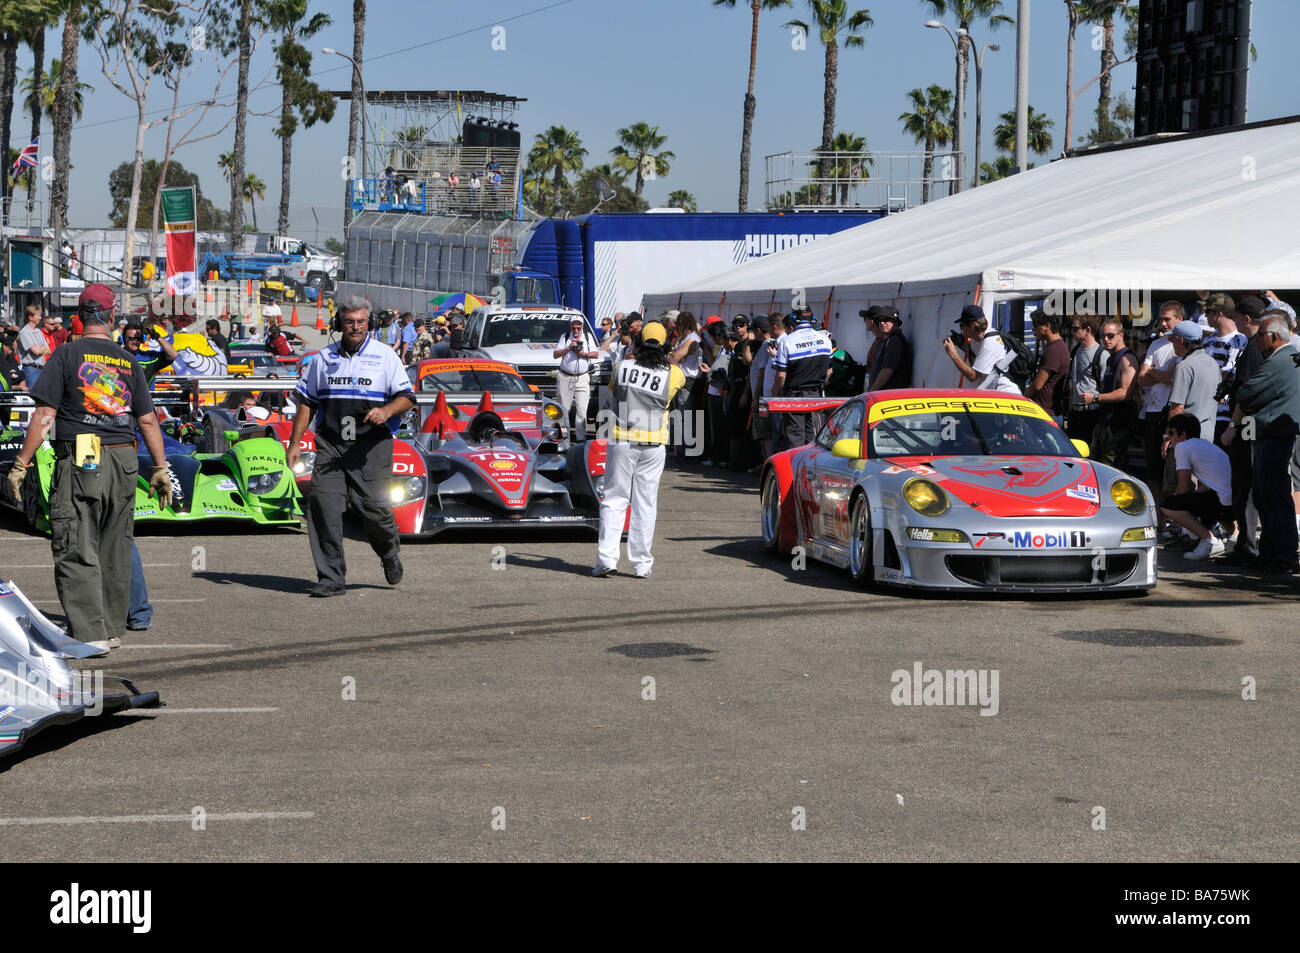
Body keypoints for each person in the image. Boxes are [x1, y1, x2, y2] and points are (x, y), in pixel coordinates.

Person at [5, 284, 172, 651]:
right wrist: (161, 469)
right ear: (112, 318)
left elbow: (45, 415)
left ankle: (91, 633)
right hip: (124, 457)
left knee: (76, 541)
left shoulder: (66, 354)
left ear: (78, 316)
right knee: (115, 543)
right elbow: (147, 421)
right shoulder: (128, 360)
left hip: (83, 454)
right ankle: (111, 627)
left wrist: (21, 463)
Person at [286, 297, 415, 597]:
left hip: (371, 446)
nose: (355, 327)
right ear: (339, 324)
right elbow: (306, 401)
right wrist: (295, 443)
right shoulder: (323, 358)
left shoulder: (386, 357)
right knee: (322, 507)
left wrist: (386, 411)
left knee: (372, 509)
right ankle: (331, 578)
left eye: (360, 321)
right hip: (331, 445)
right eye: (349, 322)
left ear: (368, 322)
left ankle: (388, 550)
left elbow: (407, 397)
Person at [593, 321, 686, 579]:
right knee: (645, 503)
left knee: (614, 499)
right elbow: (676, 376)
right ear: (665, 345)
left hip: (622, 439)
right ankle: (642, 564)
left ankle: (605, 560)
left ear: (638, 342)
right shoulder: (673, 373)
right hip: (654, 443)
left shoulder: (622, 367)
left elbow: (614, 391)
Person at [1225, 311, 1300, 576]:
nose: (1257, 342)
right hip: (1273, 434)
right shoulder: (1286, 359)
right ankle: (1274, 554)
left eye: (1260, 337)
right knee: (1269, 497)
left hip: (1272, 435)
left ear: (1272, 336)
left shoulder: (1278, 362)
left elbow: (1246, 393)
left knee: (1272, 497)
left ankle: (1283, 556)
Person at [1160, 412, 1234, 561]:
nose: (1168, 438)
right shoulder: (1205, 444)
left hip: (1227, 503)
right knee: (1206, 500)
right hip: (1237, 501)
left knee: (1168, 506)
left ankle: (1209, 541)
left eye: (1171, 433)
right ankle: (1235, 538)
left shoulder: (1182, 447)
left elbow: (1184, 488)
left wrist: (1175, 516)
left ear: (1183, 434)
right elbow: (1207, 486)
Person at [1138, 301, 1183, 505]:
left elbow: (1176, 379)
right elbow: (1141, 378)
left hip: (1173, 409)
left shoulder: (1182, 345)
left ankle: (1176, 517)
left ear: (1179, 319)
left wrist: (1154, 372)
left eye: (1168, 319)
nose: (1163, 324)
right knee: (1153, 469)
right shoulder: (1155, 344)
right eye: (1161, 319)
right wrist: (1162, 374)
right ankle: (1160, 517)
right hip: (1152, 411)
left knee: (1173, 467)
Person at [770, 307, 833, 453]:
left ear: (793, 320)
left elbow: (781, 376)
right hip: (816, 394)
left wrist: (774, 394)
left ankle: (795, 471)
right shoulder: (825, 340)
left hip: (795, 395)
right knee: (814, 435)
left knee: (795, 435)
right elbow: (829, 371)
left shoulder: (787, 341)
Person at [1081, 318, 1139, 470]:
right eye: (1103, 336)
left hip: (1118, 424)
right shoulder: (1111, 358)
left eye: (1110, 335)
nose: (1106, 339)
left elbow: (1126, 392)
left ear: (1120, 335)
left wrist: (1096, 397)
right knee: (1097, 466)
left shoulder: (1127, 359)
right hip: (1105, 421)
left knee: (1112, 469)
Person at [943, 304, 1020, 395]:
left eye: (961, 325)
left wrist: (953, 355)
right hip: (996, 393)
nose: (961, 330)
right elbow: (979, 370)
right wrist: (966, 348)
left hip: (1006, 394)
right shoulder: (982, 337)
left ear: (971, 326)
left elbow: (973, 376)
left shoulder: (989, 343)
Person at [1201, 293, 1248, 442]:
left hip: (1224, 413)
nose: (1205, 315)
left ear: (1219, 314)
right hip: (1206, 412)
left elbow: (1228, 373)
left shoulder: (1239, 339)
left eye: (1208, 312)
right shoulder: (1208, 340)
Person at [1167, 319, 1220, 441]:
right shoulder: (1213, 363)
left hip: (1186, 437)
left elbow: (1177, 408)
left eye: (1172, 339)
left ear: (1180, 340)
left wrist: (1168, 437)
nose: (1172, 343)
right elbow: (1219, 399)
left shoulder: (1184, 366)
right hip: (1208, 436)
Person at [552, 316, 597, 441]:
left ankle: (581, 438)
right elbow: (555, 355)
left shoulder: (587, 337)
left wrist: (583, 354)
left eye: (578, 327)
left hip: (582, 377)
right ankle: (563, 437)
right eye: (574, 327)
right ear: (570, 326)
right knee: (564, 409)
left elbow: (596, 354)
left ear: (582, 326)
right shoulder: (565, 337)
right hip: (565, 376)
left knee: (582, 409)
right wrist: (568, 348)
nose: (576, 330)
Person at [1066, 313, 1108, 442]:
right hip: (1075, 412)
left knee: (1091, 453)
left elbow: (1105, 388)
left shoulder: (1101, 354)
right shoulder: (1075, 350)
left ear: (1088, 330)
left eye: (1075, 328)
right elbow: (1074, 383)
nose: (1072, 332)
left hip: (1092, 412)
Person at [1024, 308, 1070, 421]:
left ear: (1047, 326)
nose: (1033, 330)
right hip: (1050, 412)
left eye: (1035, 326)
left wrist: (1023, 397)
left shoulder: (1054, 350)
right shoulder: (1059, 346)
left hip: (1046, 413)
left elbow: (1038, 384)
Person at [863, 306, 911, 392]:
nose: (881, 323)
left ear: (895, 322)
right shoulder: (887, 339)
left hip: (889, 396)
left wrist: (872, 391)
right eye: (879, 320)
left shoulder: (895, 341)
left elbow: (887, 371)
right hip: (884, 394)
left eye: (886, 319)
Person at [18, 304, 49, 388]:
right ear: (31, 317)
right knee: (33, 397)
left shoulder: (38, 331)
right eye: (38, 315)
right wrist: (40, 349)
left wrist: (39, 349)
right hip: (30, 369)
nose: (40, 318)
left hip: (41, 368)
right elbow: (36, 351)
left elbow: (47, 350)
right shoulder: (24, 332)